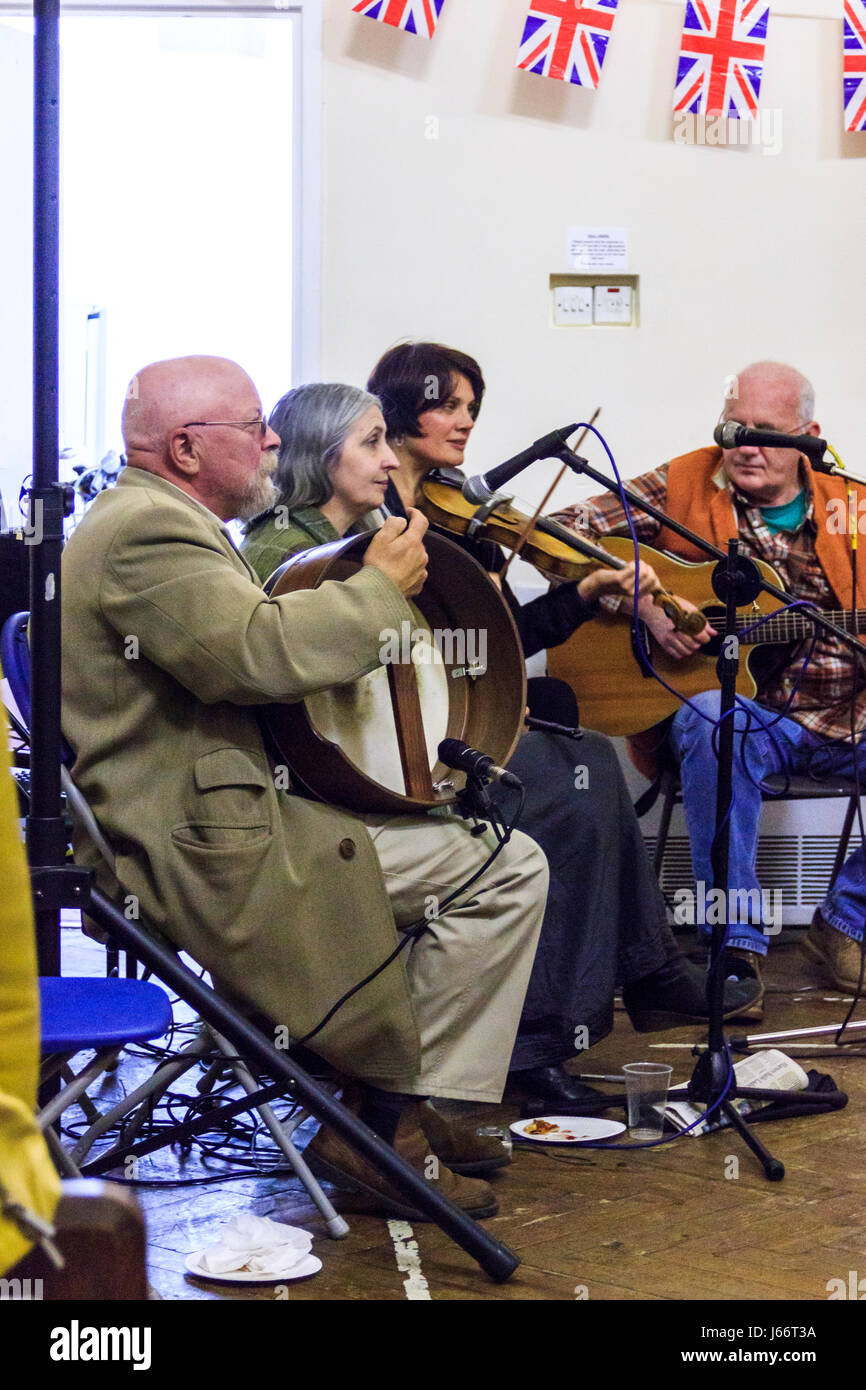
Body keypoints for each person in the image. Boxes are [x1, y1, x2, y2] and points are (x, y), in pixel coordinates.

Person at [61, 355, 551, 1221]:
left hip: (220, 813)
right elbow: (253, 655)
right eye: (253, 426)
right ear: (184, 447)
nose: (272, 439)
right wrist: (377, 591)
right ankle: (385, 1123)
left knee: (482, 850)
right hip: (191, 845)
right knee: (502, 869)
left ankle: (379, 1113)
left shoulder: (159, 515)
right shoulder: (147, 530)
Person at [242, 358, 760, 1107]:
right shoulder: (288, 549)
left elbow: (452, 649)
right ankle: (547, 1043)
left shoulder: (380, 533)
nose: (388, 462)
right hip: (360, 775)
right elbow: (320, 667)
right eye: (372, 444)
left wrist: (502, 644)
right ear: (320, 455)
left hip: (408, 743)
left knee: (581, 761)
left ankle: (616, 993)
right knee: (566, 790)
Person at [554, 360, 866, 1001]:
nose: (746, 445)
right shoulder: (684, 482)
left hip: (849, 712)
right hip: (753, 718)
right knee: (714, 718)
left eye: (768, 432)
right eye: (735, 427)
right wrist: (643, 605)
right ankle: (735, 947)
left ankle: (845, 922)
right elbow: (560, 531)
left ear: (808, 435)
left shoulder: (853, 508)